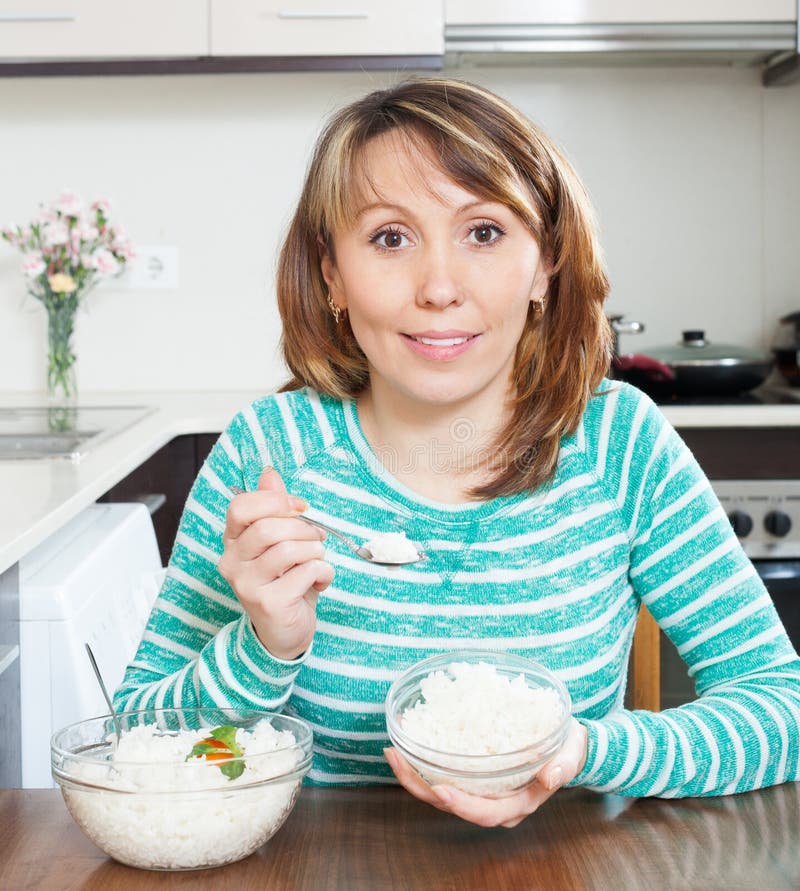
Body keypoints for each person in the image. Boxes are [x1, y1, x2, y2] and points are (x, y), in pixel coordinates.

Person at [115, 77, 800, 828]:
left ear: (545, 264)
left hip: (561, 867)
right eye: (390, 238)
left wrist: (583, 751)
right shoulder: (272, 455)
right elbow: (131, 740)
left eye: (483, 232)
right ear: (331, 274)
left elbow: (782, 708)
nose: (439, 287)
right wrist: (262, 649)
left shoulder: (619, 443)